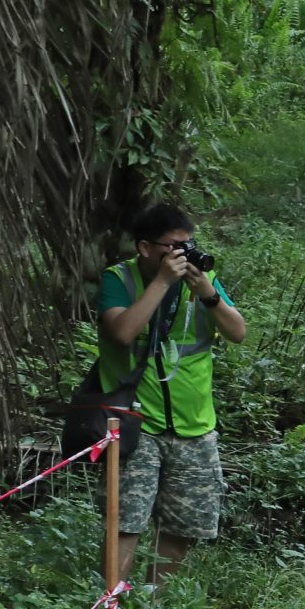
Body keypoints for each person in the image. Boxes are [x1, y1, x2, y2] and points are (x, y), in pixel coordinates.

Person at [97, 203, 246, 585]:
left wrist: (208, 293)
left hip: (194, 424)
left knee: (182, 527)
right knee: (126, 523)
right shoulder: (120, 279)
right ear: (145, 248)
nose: (183, 254)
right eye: (173, 246)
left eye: (188, 244)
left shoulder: (202, 278)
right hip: (135, 422)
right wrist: (162, 282)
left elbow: (238, 333)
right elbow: (123, 332)